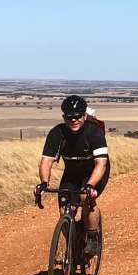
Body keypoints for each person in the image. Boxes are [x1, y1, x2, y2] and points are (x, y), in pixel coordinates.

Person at [36, 95, 108, 256]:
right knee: (64, 211)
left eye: (77, 116)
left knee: (85, 197)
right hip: (72, 172)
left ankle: (92, 237)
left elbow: (101, 164)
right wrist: (44, 182)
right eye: (69, 117)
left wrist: (90, 186)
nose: (74, 120)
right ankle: (74, 244)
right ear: (64, 117)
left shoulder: (94, 133)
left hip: (95, 171)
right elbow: (46, 161)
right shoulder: (57, 133)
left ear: (84, 116)